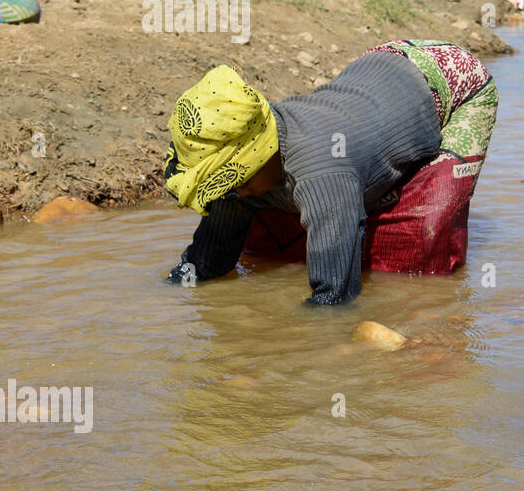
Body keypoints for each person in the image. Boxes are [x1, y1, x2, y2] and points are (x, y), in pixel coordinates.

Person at [163, 39, 498, 304]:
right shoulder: (250, 163)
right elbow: (203, 263)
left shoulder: (322, 173)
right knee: (256, 220)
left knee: (421, 236)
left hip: (455, 79)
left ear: (263, 154)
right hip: (381, 69)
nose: (238, 190)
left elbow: (335, 297)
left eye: (239, 179)